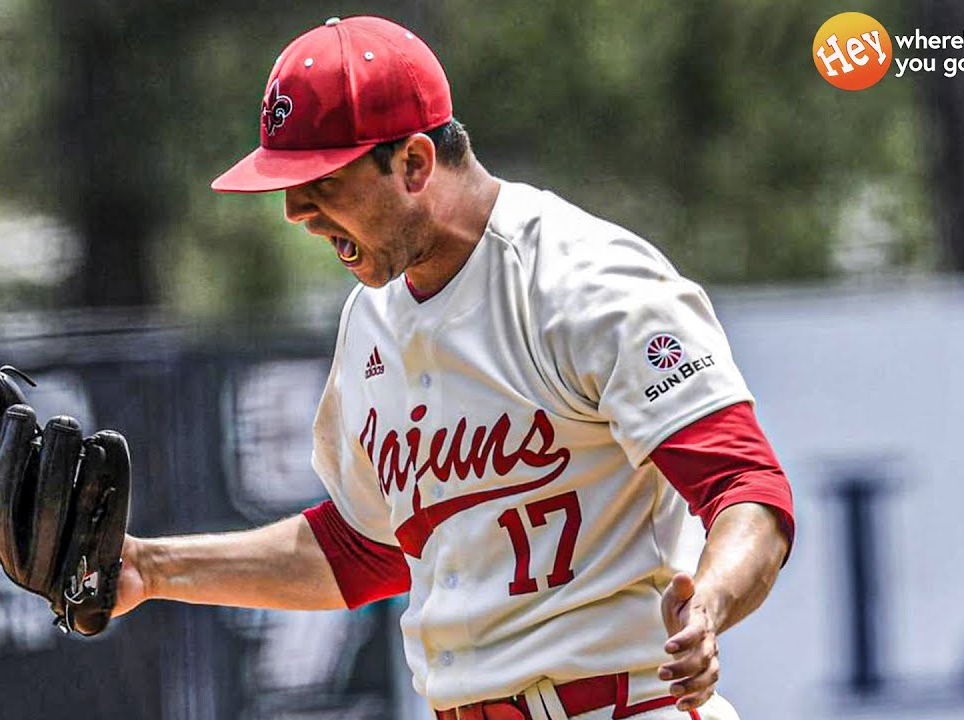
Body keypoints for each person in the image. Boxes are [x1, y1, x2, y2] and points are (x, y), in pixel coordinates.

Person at [114, 15, 794, 720]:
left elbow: (748, 486)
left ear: (413, 163)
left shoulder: (582, 281)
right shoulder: (370, 319)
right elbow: (364, 550)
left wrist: (708, 604)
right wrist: (148, 568)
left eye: (321, 181)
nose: (294, 211)